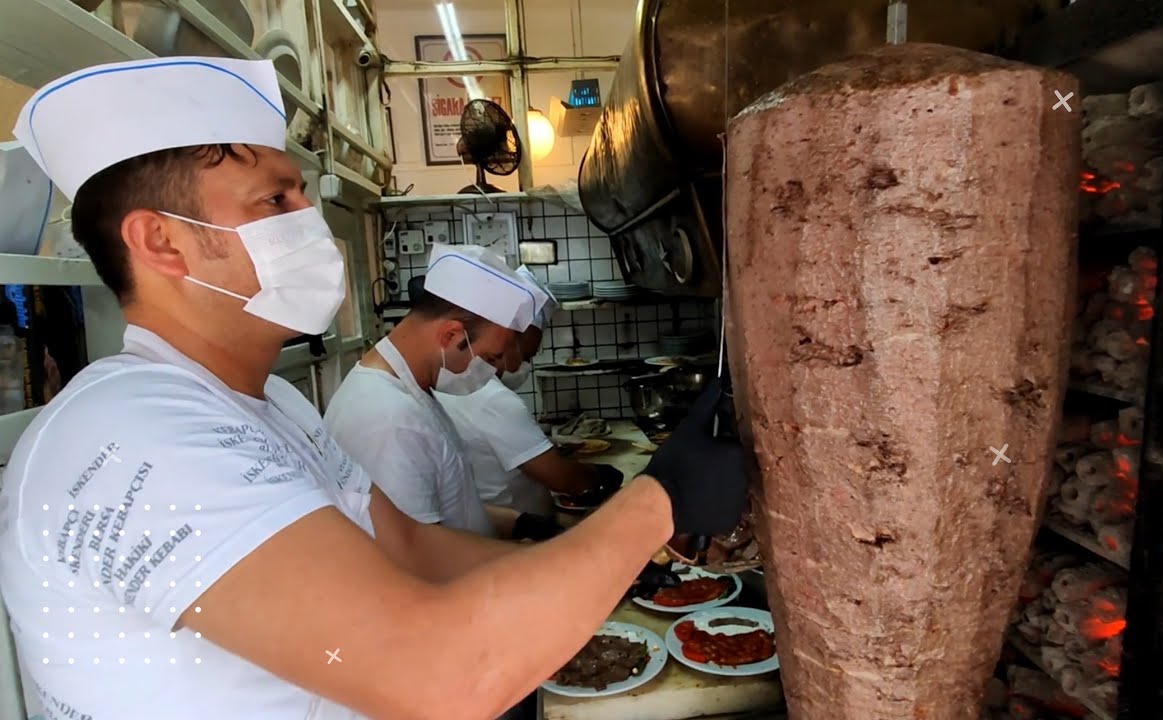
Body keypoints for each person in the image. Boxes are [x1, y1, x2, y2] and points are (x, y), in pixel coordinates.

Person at [0, 57, 747, 720]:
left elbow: (414, 546)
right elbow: (441, 680)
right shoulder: (135, 432)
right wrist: (656, 502)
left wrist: (601, 565)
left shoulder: (273, 403)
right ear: (161, 242)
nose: (311, 224)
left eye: (303, 195)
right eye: (275, 203)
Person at [323, 245, 560, 542]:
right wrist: (531, 562)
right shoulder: (387, 419)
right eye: (489, 358)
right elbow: (418, 554)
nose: (495, 372)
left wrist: (519, 524)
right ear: (451, 335)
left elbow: (448, 510)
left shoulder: (412, 392)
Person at [436, 272, 622, 519]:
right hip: (513, 530)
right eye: (527, 356)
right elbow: (562, 479)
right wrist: (600, 476)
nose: (523, 366)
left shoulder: (451, 380)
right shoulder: (493, 398)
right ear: (507, 339)